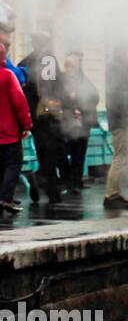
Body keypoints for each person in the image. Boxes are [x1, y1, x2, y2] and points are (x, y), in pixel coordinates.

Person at [19, 31, 65, 205]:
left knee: (44, 152)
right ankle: (46, 185)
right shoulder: (49, 60)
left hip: (34, 117)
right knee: (53, 153)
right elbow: (57, 87)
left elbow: (23, 91)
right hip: (50, 116)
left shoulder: (24, 63)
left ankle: (46, 185)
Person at [0, 33, 33, 214]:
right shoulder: (8, 76)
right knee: (13, 164)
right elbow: (20, 102)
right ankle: (5, 198)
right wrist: (26, 125)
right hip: (9, 131)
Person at [60, 51, 100, 194]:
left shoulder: (82, 79)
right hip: (70, 122)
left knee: (79, 153)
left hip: (82, 122)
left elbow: (95, 96)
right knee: (72, 153)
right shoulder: (64, 80)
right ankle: (71, 181)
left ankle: (75, 181)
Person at [104, 44, 128, 210]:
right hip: (121, 120)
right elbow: (123, 97)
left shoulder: (114, 68)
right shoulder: (119, 70)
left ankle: (114, 193)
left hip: (118, 119)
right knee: (120, 157)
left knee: (120, 156)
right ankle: (111, 195)